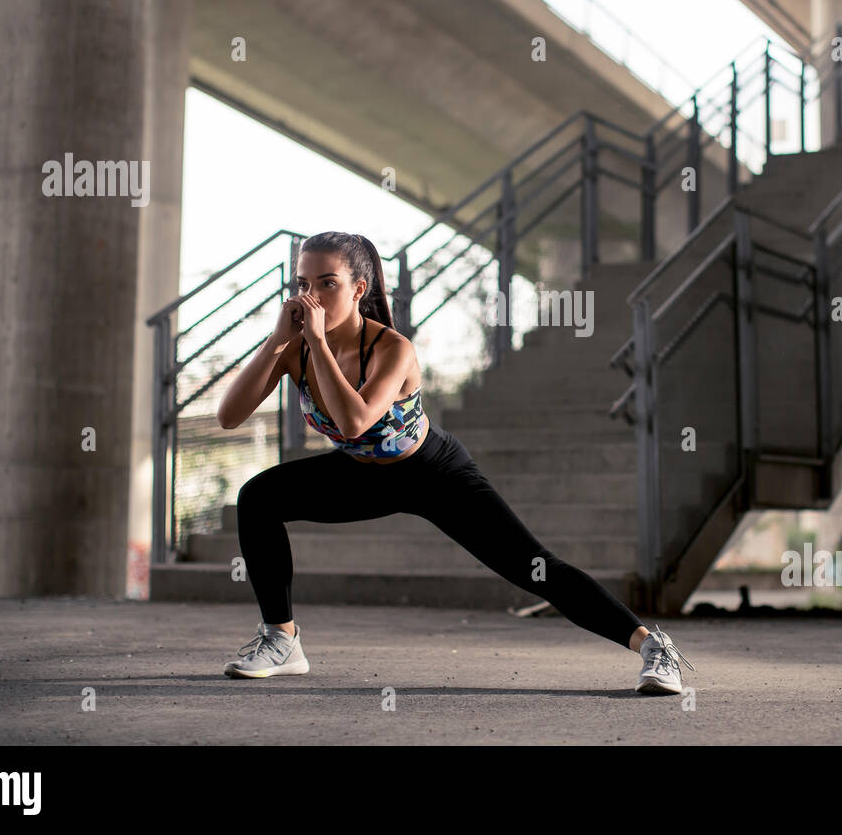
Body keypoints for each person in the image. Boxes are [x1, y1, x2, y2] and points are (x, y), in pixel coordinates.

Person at [214, 230, 696, 694]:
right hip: (360, 474)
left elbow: (356, 420)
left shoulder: (391, 349)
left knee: (535, 569)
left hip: (432, 473)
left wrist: (316, 344)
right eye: (302, 284)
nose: (310, 297)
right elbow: (230, 416)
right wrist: (278, 343)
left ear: (358, 289)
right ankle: (282, 639)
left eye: (327, 284)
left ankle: (654, 647)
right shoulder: (293, 348)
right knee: (258, 498)